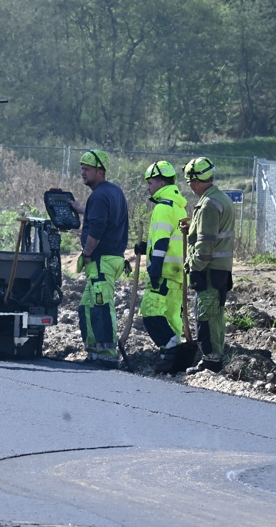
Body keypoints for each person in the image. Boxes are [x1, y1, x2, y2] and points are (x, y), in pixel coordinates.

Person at [67, 149, 129, 369]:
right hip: (111, 259)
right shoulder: (114, 191)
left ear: (100, 171)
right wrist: (80, 208)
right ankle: (94, 353)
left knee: (101, 306)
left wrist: (87, 253)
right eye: (82, 169)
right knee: (86, 306)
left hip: (102, 261)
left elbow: (98, 226)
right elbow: (102, 215)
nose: (83, 173)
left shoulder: (99, 195)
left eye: (87, 169)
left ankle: (108, 355)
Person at [133, 161, 189, 373]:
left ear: (161, 183)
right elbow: (171, 240)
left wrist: (155, 267)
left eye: (150, 183)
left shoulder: (163, 207)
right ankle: (172, 359)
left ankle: (171, 349)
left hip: (164, 272)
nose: (148, 187)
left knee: (150, 312)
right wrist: (145, 247)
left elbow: (162, 241)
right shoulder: (179, 206)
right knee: (172, 317)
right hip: (178, 273)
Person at [183, 156, 235, 373]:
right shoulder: (220, 198)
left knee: (206, 314)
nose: (190, 186)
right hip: (220, 269)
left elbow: (205, 245)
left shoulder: (208, 205)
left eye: (190, 182)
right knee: (216, 314)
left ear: (195, 181)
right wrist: (190, 230)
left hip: (209, 270)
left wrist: (194, 267)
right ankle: (215, 355)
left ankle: (212, 360)